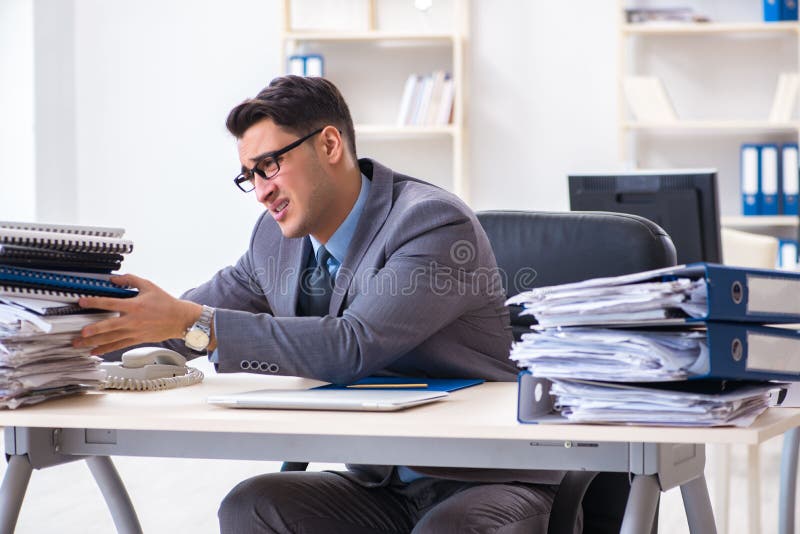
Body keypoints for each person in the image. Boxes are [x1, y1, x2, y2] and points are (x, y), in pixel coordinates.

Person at [75, 75, 566, 533]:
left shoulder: (432, 223)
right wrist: (59, 346)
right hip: (380, 483)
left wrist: (196, 324)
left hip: (482, 476)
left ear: (330, 145)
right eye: (250, 176)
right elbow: (178, 319)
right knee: (252, 506)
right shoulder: (275, 240)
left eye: (270, 166)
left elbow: (354, 345)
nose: (262, 191)